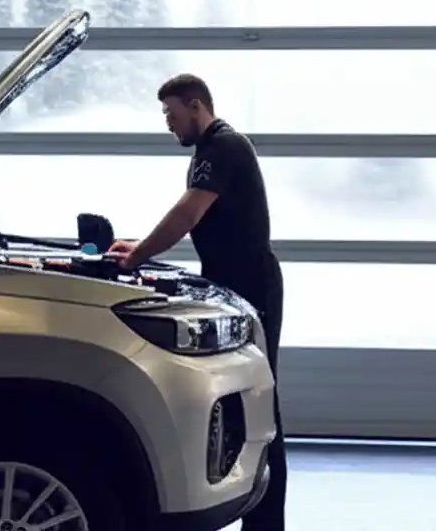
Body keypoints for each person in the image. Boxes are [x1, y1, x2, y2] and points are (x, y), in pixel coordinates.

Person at [107, 73, 286, 531]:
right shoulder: (212, 150)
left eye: (171, 114)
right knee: (247, 400)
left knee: (259, 399)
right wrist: (139, 248)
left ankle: (265, 522)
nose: (168, 124)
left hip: (252, 284)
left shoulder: (223, 147)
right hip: (230, 280)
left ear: (195, 105)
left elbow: (188, 213)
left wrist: (139, 254)